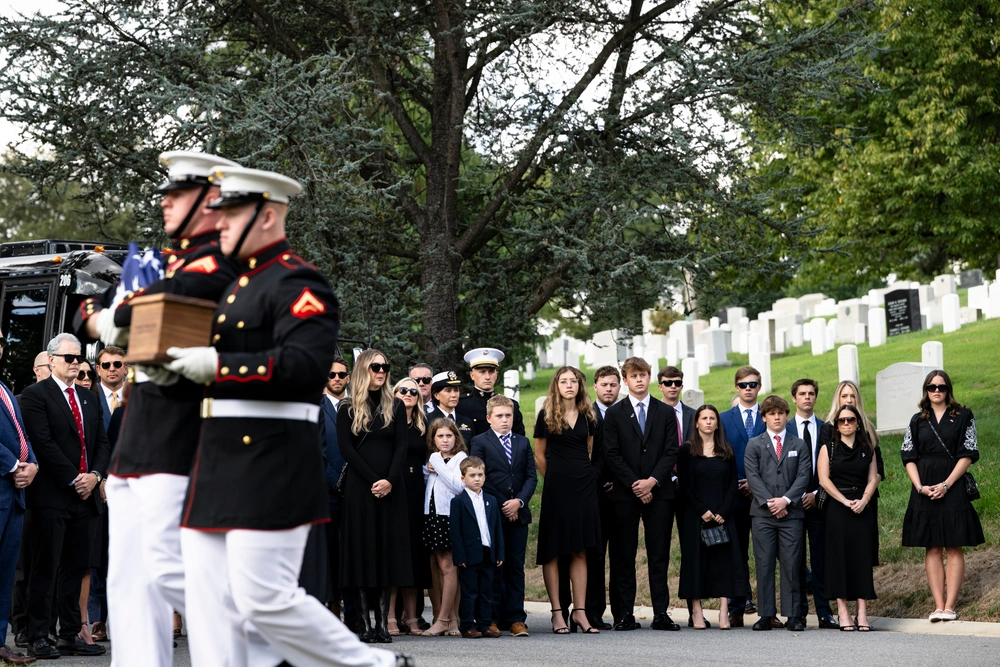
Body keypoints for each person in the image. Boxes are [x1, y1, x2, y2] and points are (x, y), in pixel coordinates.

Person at [165, 168, 410, 667]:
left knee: (264, 598)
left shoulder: (298, 282)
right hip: (218, 458)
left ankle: (371, 664)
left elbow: (302, 366)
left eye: (232, 214)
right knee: (208, 599)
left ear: (268, 215)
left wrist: (218, 365)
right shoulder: (235, 286)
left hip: (271, 460)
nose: (220, 222)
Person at [78, 151, 251, 667]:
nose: (165, 203)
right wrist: (115, 313)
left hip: (180, 439)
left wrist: (115, 313)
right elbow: (102, 310)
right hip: (138, 438)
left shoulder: (220, 263)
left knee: (177, 569)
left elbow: (138, 308)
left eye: (178, 194)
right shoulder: (168, 262)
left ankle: (259, 646)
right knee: (130, 582)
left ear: (210, 200)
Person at [19, 333, 109, 659]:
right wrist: (75, 479)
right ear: (52, 360)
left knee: (76, 567)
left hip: (86, 497)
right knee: (44, 567)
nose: (75, 363)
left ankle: (70, 634)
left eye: (78, 358)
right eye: (69, 358)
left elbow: (101, 443)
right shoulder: (35, 395)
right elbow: (43, 443)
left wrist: (94, 476)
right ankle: (38, 635)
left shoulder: (89, 398)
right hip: (52, 496)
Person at [335, 349, 414, 645]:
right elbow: (346, 449)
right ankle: (365, 624)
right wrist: (374, 480)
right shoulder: (347, 407)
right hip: (361, 489)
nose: (381, 371)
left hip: (391, 488)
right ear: (363, 370)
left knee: (386, 553)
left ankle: (383, 623)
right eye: (375, 366)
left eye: (385, 366)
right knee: (362, 553)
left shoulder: (395, 404)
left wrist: (390, 480)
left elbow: (401, 446)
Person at [603, 357, 680, 632]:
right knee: (624, 554)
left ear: (649, 378)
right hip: (625, 494)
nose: (639, 380)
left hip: (659, 492)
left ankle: (661, 613)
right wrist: (635, 484)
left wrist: (652, 482)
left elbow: (671, 451)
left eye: (643, 375)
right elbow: (611, 453)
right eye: (633, 376)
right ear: (625, 380)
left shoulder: (665, 412)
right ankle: (624, 613)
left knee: (659, 554)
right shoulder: (615, 413)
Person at [901, 370, 984, 622]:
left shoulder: (964, 416)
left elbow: (968, 453)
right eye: (931, 387)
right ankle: (938, 606)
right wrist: (919, 487)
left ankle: (950, 606)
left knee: (954, 544)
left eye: (941, 387)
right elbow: (908, 456)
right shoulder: (917, 420)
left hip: (953, 485)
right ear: (926, 390)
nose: (936, 391)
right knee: (932, 545)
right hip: (925, 488)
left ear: (948, 389)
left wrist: (946, 485)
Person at [534, 366, 600, 634]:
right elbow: (540, 455)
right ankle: (557, 613)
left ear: (580, 385)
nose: (569, 385)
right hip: (557, 488)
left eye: (573, 381)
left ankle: (580, 613)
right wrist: (554, 479)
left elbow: (590, 450)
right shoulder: (546, 415)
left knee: (580, 550)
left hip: (584, 488)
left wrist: (584, 477)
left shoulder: (589, 415)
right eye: (564, 381)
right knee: (553, 550)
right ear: (556, 385)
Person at [470, 394, 536, 637]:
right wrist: (504, 504)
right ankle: (491, 617)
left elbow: (531, 476)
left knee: (515, 567)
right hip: (493, 514)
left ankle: (516, 618)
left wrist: (519, 502)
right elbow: (480, 477)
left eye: (508, 415)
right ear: (489, 418)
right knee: (494, 566)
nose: (505, 420)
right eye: (499, 416)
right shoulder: (480, 442)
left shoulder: (522, 442)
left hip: (519, 513)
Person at [744, 395, 810, 632]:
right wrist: (771, 503)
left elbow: (804, 475)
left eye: (781, 413)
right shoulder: (754, 444)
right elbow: (753, 477)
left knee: (792, 564)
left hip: (792, 515)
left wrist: (786, 501)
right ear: (764, 418)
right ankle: (766, 615)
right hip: (763, 515)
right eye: (772, 414)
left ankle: (793, 616)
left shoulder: (798, 445)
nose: (777, 417)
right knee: (764, 564)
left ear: (786, 415)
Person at [677, 405, 745, 630]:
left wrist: (723, 511)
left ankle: (724, 612)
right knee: (696, 561)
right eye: (704, 418)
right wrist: (701, 510)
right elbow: (684, 485)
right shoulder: (687, 450)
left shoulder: (727, 450)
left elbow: (732, 483)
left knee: (724, 562)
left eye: (712, 418)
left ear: (717, 423)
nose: (708, 422)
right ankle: (697, 612)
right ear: (696, 423)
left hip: (723, 515)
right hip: (695, 514)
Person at [818, 404, 879, 631]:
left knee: (862, 559)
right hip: (838, 508)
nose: (846, 424)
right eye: (841, 420)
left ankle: (862, 613)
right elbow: (824, 480)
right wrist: (844, 501)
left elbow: (873, 478)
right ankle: (843, 611)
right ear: (836, 425)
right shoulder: (829, 448)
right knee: (839, 559)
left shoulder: (867, 447)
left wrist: (864, 499)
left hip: (863, 507)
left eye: (850, 419)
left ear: (858, 423)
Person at [0, 330, 39, 666]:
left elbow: (22, 435)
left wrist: (33, 466)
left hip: (14, 496)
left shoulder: (5, 389)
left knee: (4, 574)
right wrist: (14, 465)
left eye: (0, 342)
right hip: (4, 486)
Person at [785, 378, 837, 629]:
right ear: (794, 398)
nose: (807, 397)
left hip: (819, 502)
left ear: (816, 397)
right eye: (802, 393)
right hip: (792, 505)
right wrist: (794, 496)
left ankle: (824, 612)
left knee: (820, 560)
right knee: (795, 560)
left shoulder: (827, 428)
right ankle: (798, 613)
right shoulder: (785, 428)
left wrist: (817, 494)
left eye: (811, 393)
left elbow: (834, 465)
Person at [718, 366, 765, 626]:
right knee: (737, 553)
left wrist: (756, 485)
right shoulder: (724, 419)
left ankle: (767, 610)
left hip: (764, 496)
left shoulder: (769, 415)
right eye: (744, 385)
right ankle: (737, 606)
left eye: (753, 384)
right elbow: (720, 454)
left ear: (759, 387)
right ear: (737, 387)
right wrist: (738, 482)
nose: (748, 389)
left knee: (765, 553)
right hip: (734, 495)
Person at [820, 380, 885, 564]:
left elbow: (878, 467)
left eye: (853, 396)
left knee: (863, 548)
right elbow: (826, 468)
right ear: (837, 399)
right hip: (838, 497)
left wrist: (866, 495)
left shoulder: (868, 427)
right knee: (841, 552)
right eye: (844, 396)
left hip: (866, 496)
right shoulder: (828, 428)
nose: (849, 400)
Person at [656, 365, 701, 627]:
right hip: (661, 488)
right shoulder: (654, 414)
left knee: (691, 550)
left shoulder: (693, 415)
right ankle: (661, 610)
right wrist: (668, 477)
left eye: (677, 382)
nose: (673, 386)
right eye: (667, 382)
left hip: (689, 490)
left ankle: (695, 610)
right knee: (660, 551)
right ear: (660, 386)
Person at [388, 377, 431, 636]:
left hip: (417, 490)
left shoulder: (422, 424)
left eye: (414, 391)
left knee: (414, 553)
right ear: (394, 393)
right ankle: (390, 615)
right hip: (394, 487)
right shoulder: (386, 422)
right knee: (396, 552)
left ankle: (412, 616)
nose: (408, 394)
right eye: (403, 390)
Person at [418, 418, 468, 638]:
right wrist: (428, 467)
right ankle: (449, 617)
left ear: (456, 437)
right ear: (433, 439)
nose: (445, 440)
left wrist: (436, 463)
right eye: (440, 436)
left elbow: (458, 486)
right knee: (437, 565)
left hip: (449, 516)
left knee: (449, 566)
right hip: (431, 515)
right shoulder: (433, 459)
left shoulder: (460, 458)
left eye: (449, 435)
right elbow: (426, 480)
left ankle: (444, 619)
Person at [449, 456, 504, 639]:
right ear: (463, 478)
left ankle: (485, 624)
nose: (477, 479)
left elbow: (496, 529)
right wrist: (459, 556)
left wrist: (499, 552)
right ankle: (468, 625)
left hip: (488, 552)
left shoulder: (491, 500)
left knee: (486, 591)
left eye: (480, 475)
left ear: (485, 477)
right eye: (472, 475)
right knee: (469, 592)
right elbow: (455, 531)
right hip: (469, 554)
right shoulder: (458, 501)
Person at [585, 366, 620, 630]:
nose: (609, 389)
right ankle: (593, 612)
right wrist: (602, 481)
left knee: (620, 556)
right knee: (595, 556)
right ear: (595, 386)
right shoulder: (587, 415)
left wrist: (620, 482)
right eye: (604, 384)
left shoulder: (625, 413)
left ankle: (622, 612)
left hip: (622, 494)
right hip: (593, 495)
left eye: (613, 384)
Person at [322, 356, 354, 625]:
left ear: (348, 378)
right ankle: (332, 609)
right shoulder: (316, 408)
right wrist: (338, 481)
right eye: (332, 374)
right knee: (331, 552)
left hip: (357, 491)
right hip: (328, 491)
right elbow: (315, 451)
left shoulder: (358, 406)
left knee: (354, 551)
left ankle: (355, 615)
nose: (336, 379)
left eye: (341, 374)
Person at [458, 348, 525, 436]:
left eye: (491, 372)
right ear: (472, 375)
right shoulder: (461, 405)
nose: (487, 377)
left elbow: (519, 438)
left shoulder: (511, 405)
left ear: (496, 375)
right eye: (482, 372)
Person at [427, 371, 474, 446]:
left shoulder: (467, 422)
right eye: (448, 391)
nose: (454, 395)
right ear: (436, 395)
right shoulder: (427, 420)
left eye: (456, 390)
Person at [94, 346, 126, 431]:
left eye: (117, 364)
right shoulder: (89, 395)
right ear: (98, 369)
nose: (112, 369)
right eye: (106, 365)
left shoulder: (136, 396)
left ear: (125, 368)